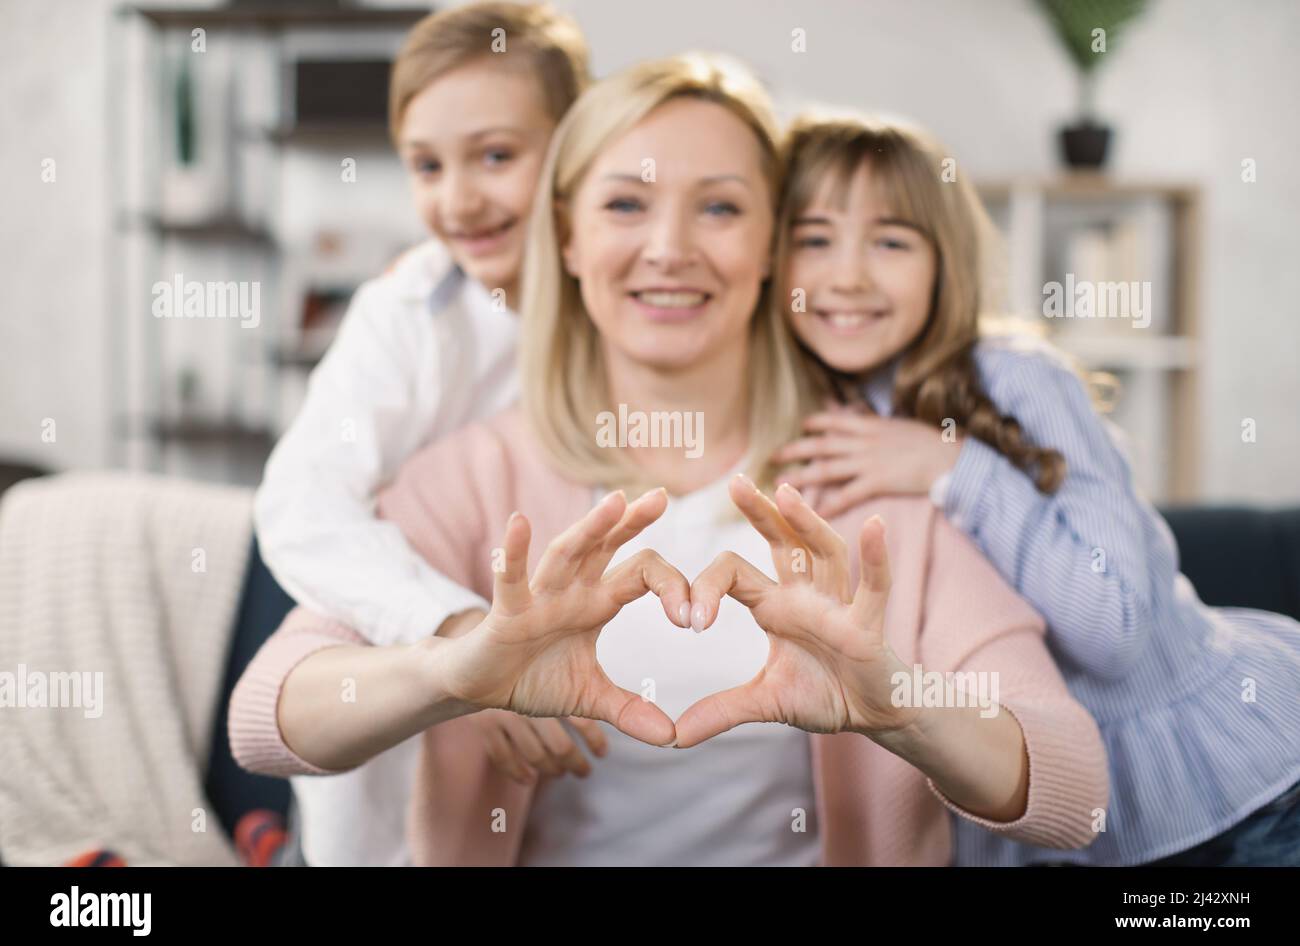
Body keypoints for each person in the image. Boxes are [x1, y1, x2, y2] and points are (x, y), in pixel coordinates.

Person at [229, 54, 1108, 866]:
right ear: (567, 239)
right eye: (625, 205)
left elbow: (1074, 789)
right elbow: (265, 717)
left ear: (771, 247)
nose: (670, 248)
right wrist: (450, 669)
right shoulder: (474, 477)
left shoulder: (860, 481)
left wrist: (902, 707)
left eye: (720, 207)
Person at [770, 110, 1300, 865]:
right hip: (1049, 814)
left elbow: (1115, 628)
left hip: (1237, 796)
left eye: (890, 241)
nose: (847, 274)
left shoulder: (1018, 377)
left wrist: (953, 468)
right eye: (814, 239)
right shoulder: (828, 411)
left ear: (942, 261)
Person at [251, 1, 591, 866]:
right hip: (391, 748)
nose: (458, 198)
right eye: (426, 166)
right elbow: (301, 503)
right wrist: (458, 640)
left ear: (576, 149)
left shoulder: (624, 305)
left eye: (496, 156)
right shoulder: (408, 312)